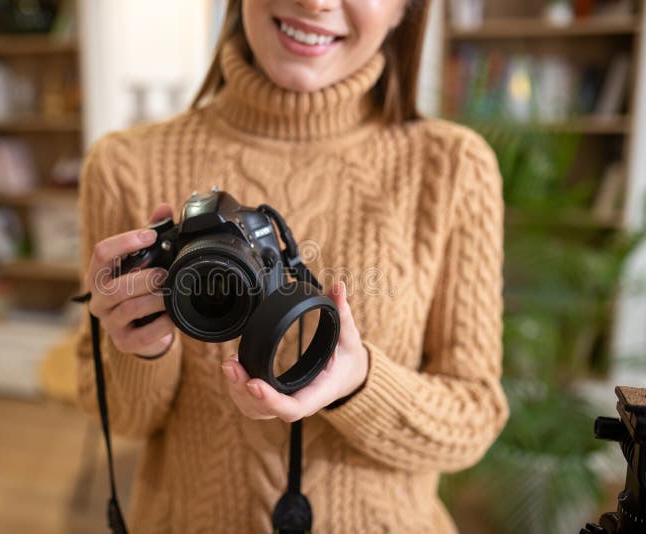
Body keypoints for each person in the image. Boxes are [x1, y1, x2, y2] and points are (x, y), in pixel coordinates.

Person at [75, 0, 509, 531]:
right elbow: (122, 418)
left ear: (406, 11)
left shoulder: (453, 169)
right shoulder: (127, 166)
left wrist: (359, 382)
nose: (317, 3)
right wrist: (142, 346)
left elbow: (473, 419)